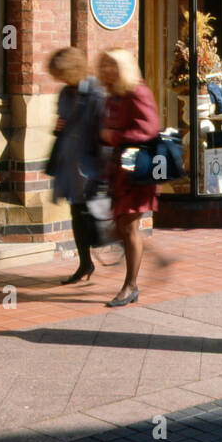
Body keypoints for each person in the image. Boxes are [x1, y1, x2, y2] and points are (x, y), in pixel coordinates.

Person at [98, 48, 162, 307]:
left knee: (130, 228)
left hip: (137, 172)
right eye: (103, 65)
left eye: (111, 65)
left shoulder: (138, 91)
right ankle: (130, 281)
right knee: (124, 227)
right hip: (119, 171)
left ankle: (130, 286)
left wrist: (112, 136)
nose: (105, 70)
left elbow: (149, 131)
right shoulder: (114, 94)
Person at [47, 47, 106, 286]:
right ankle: (85, 263)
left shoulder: (95, 93)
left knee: (90, 213)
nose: (59, 79)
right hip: (69, 162)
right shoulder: (66, 92)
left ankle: (104, 253)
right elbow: (61, 123)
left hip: (88, 164)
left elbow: (102, 131)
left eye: (61, 73)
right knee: (76, 212)